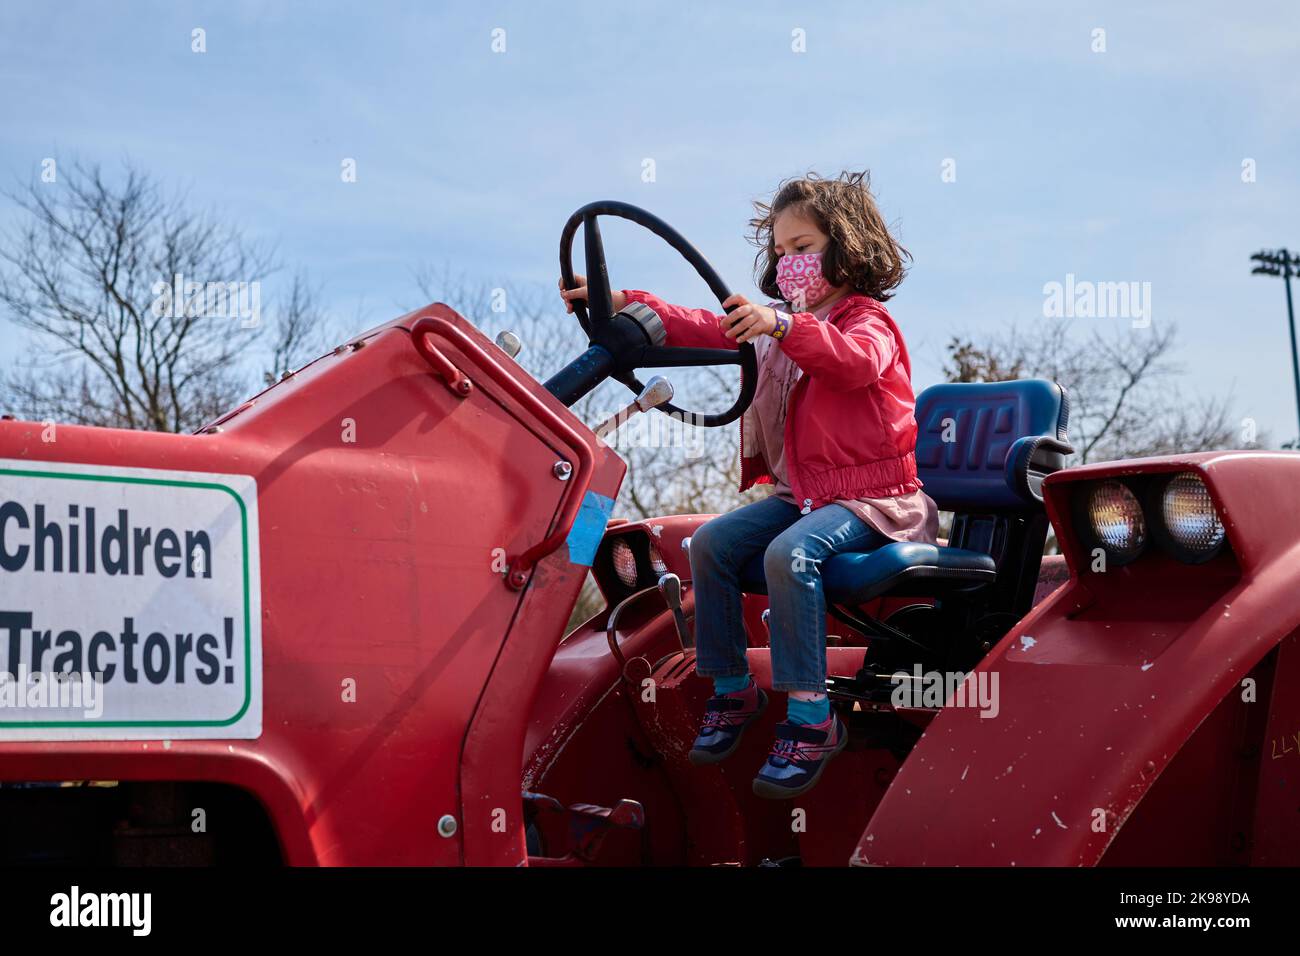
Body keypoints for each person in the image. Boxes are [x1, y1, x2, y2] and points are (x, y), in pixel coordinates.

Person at [560, 170, 937, 798]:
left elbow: (853, 366)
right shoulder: (778, 328)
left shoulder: (866, 323)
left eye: (805, 247)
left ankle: (813, 717)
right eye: (782, 251)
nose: (790, 262)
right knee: (710, 545)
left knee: (792, 552)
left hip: (876, 500)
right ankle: (733, 690)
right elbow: (707, 327)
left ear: (847, 246)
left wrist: (783, 327)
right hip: (807, 496)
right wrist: (624, 304)